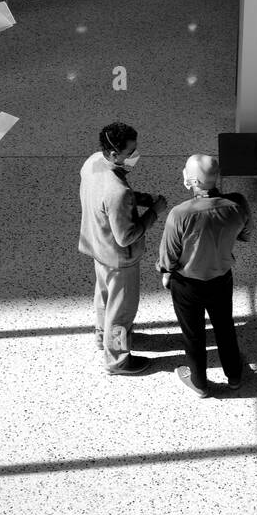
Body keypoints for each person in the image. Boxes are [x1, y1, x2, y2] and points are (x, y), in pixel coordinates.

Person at [157, 153, 251, 398]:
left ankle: (199, 383)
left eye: (187, 172)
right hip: (221, 280)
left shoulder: (180, 214)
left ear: (194, 182)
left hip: (187, 285)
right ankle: (234, 376)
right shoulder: (237, 206)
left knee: (193, 333)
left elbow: (168, 254)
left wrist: (166, 272)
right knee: (224, 327)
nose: (184, 175)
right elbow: (245, 235)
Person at [79, 122, 167, 376]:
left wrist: (136, 198)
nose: (135, 156)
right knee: (121, 312)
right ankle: (117, 360)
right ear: (114, 154)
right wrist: (154, 212)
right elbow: (127, 236)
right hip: (120, 261)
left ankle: (100, 336)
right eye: (131, 152)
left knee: (104, 298)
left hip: (97, 246)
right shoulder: (117, 192)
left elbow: (105, 195)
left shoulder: (93, 161)